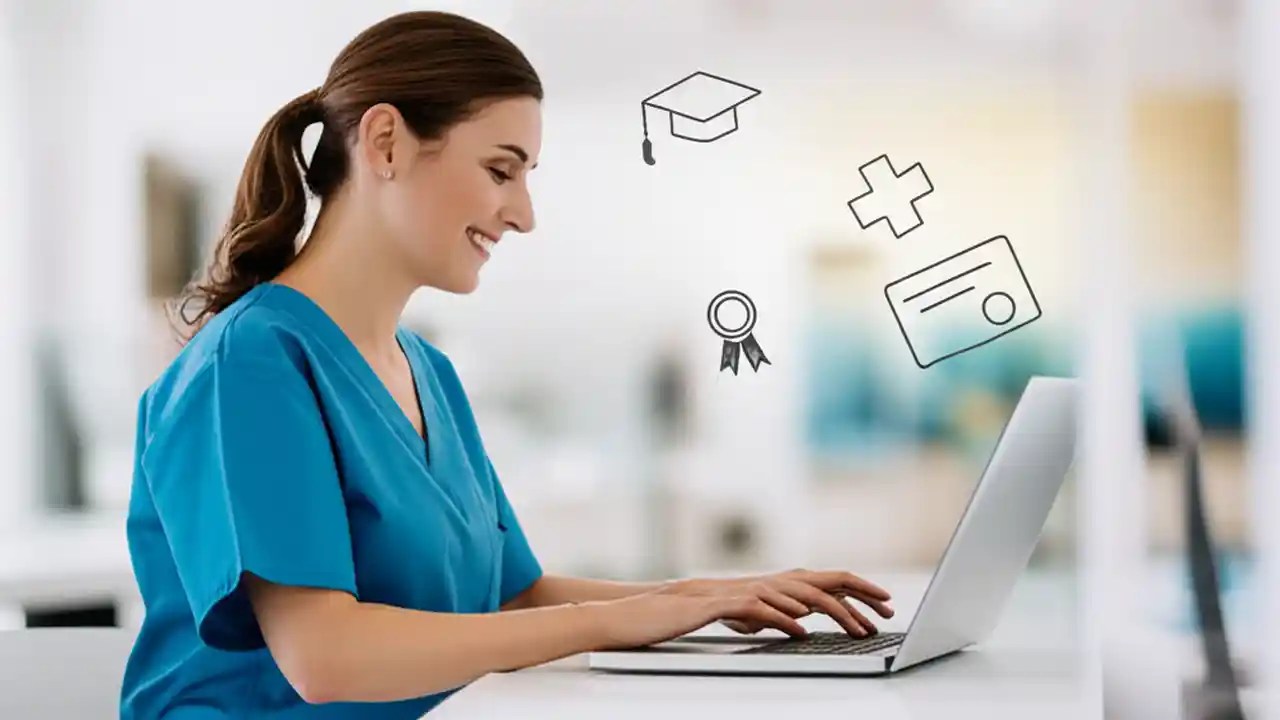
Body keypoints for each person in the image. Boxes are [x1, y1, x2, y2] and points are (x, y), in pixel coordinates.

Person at [118, 10, 894, 718]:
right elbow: (325, 657)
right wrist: (623, 619)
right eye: (501, 169)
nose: (523, 213)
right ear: (385, 143)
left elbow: (513, 598)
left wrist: (705, 596)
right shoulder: (251, 365)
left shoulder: (429, 372)